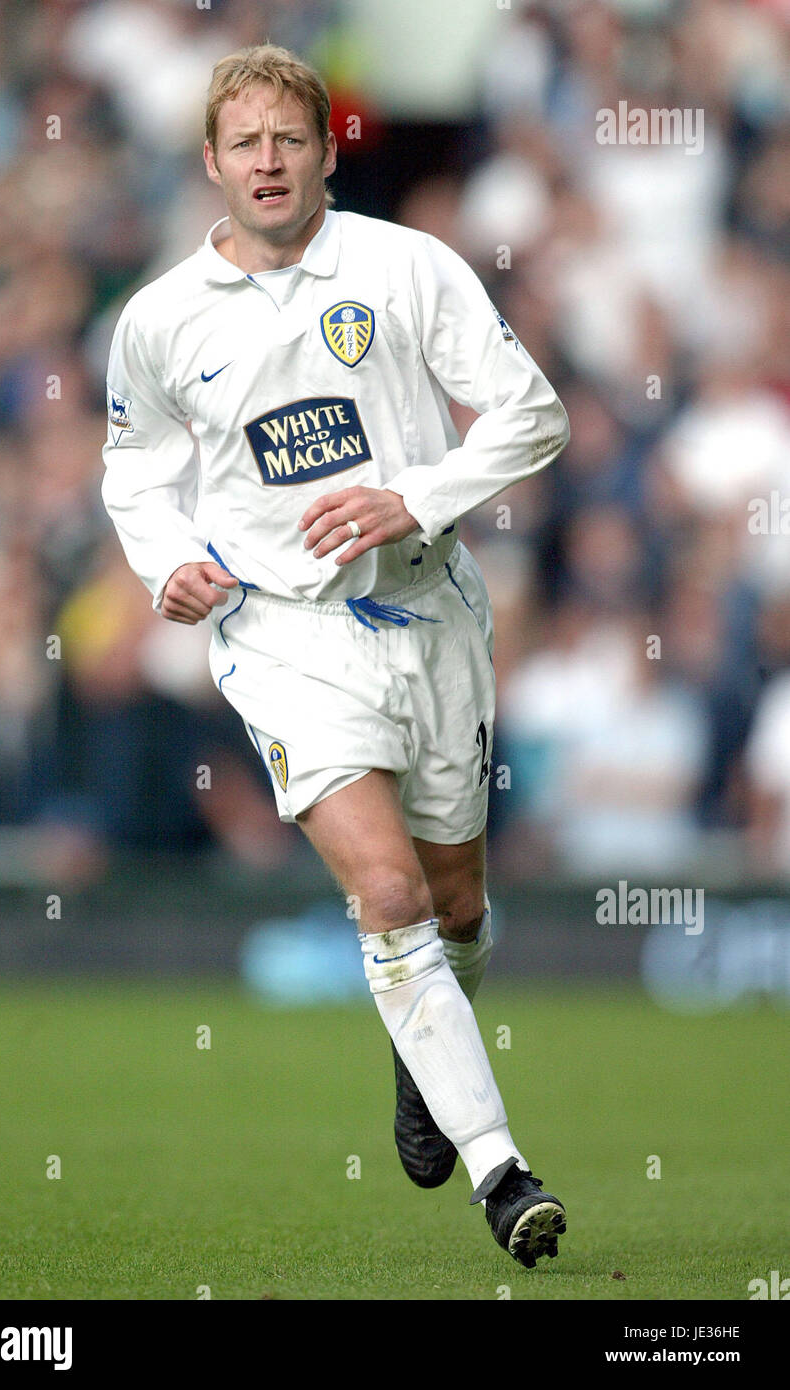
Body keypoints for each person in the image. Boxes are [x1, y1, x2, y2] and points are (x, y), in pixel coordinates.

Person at [101, 43, 570, 1268]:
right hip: (280, 632)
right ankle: (500, 1171)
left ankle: (427, 1057)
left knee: (458, 904)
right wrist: (167, 565)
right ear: (210, 161)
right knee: (390, 894)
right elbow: (134, 472)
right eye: (243, 142)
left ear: (324, 149)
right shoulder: (156, 320)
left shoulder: (404, 266)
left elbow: (533, 414)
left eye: (288, 138)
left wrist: (412, 495)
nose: (267, 161)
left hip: (430, 615)